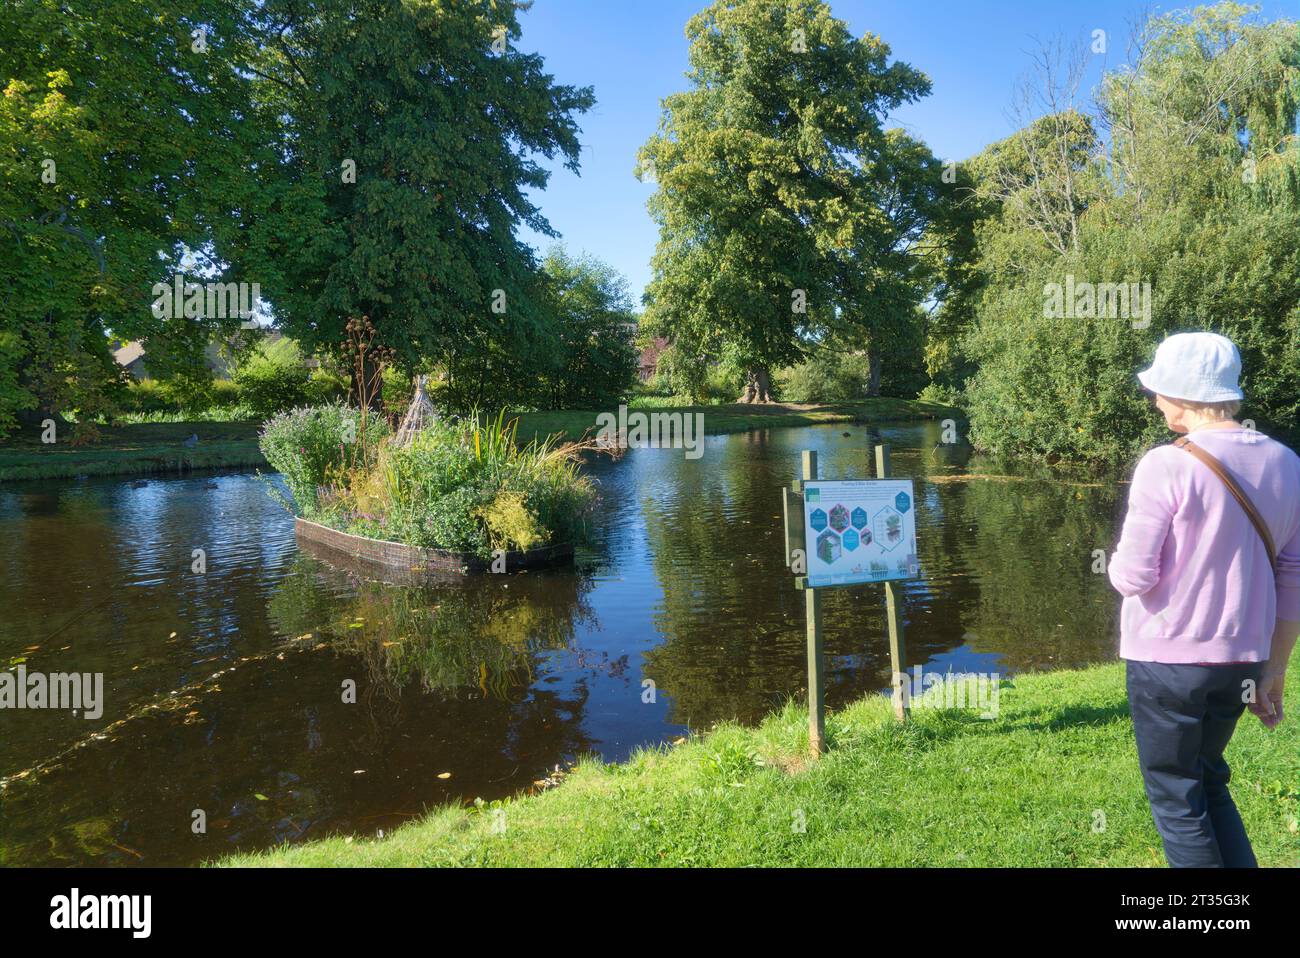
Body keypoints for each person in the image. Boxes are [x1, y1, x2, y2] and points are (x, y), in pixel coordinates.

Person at [1108, 331, 1300, 868]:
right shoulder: (1287, 462)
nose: (1155, 400)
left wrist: (1112, 562)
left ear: (1182, 397)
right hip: (1243, 660)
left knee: (1178, 801)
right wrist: (1276, 668)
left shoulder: (1165, 464)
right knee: (1209, 781)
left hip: (1169, 662)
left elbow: (1132, 577)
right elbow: (1294, 575)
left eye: (1159, 390)